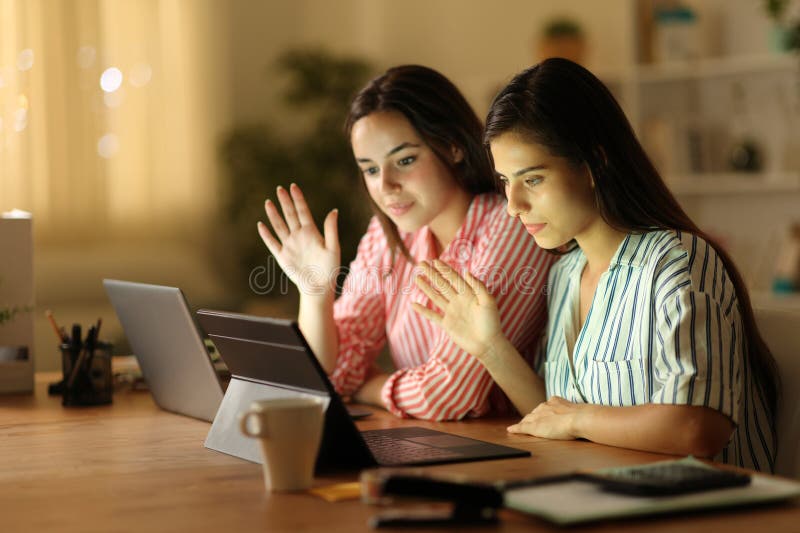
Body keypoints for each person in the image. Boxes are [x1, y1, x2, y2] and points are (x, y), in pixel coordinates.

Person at [413, 58, 778, 471]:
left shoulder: (676, 262)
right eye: (505, 182)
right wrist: (490, 347)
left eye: (533, 180)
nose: (513, 206)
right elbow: (552, 416)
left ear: (595, 163)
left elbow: (696, 428)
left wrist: (579, 418)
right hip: (605, 498)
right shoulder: (566, 272)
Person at [257, 65, 553, 421]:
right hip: (435, 442)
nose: (386, 186)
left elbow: (445, 396)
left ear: (454, 147)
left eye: (405, 160)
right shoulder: (389, 233)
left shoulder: (509, 224)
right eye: (370, 169)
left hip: (511, 448)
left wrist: (372, 387)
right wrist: (316, 295)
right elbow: (324, 377)